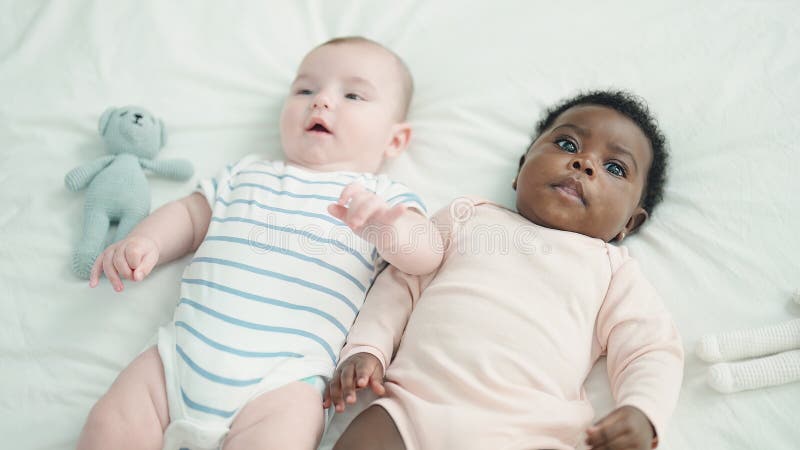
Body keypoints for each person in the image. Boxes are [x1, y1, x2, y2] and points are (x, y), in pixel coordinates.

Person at [76, 36, 443, 450]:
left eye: (353, 94)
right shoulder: (247, 173)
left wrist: (387, 230)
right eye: (305, 89)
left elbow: (425, 255)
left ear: (395, 140)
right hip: (179, 357)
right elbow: (191, 215)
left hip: (283, 380)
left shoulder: (383, 198)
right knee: (111, 425)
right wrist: (146, 241)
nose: (321, 101)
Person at [325, 91, 684, 450]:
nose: (585, 163)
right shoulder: (468, 217)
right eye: (566, 143)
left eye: (615, 168)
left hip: (529, 433)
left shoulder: (612, 272)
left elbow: (650, 349)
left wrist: (643, 411)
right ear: (521, 169)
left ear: (629, 224)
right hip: (413, 410)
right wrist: (368, 349)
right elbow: (401, 282)